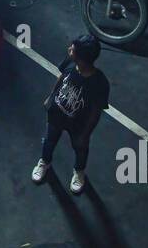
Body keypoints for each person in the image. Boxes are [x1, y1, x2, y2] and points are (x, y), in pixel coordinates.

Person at [32, 35, 109, 194]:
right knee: (49, 140)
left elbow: (96, 111)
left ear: (81, 58)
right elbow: (62, 77)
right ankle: (44, 162)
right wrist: (51, 96)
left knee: (80, 148)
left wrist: (86, 134)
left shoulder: (99, 83)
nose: (69, 50)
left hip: (78, 123)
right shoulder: (70, 63)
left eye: (72, 50)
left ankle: (79, 172)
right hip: (57, 114)